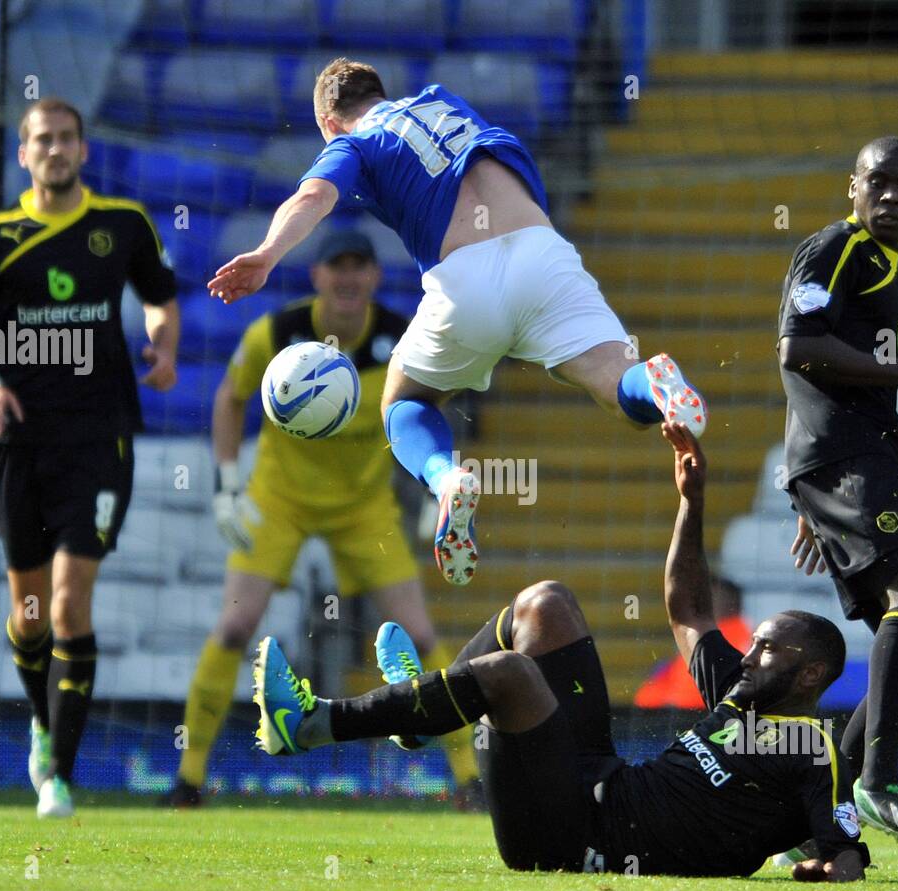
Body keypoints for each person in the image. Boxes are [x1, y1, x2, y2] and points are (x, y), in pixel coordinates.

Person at [248, 423, 868, 882]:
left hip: (574, 841)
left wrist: (825, 865)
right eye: (753, 641)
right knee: (545, 604)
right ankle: (417, 724)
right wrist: (692, 500)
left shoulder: (810, 749)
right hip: (595, 778)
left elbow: (846, 853)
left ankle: (311, 724)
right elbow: (687, 609)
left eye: (766, 648)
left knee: (512, 674)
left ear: (811, 672)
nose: (749, 651)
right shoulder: (738, 688)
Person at [207, 58, 709, 587]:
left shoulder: (351, 143)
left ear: (328, 123)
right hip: (543, 252)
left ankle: (446, 480)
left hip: (467, 278)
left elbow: (314, 196)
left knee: (404, 403)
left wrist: (266, 253)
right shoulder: (441, 99)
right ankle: (652, 380)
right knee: (617, 388)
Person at [164, 230, 480, 809]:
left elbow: (429, 409)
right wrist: (227, 487)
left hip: (364, 506)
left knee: (424, 634)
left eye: (360, 267)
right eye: (338, 266)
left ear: (375, 278)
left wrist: (434, 488)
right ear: (317, 277)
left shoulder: (402, 342)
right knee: (235, 628)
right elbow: (231, 398)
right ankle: (188, 781)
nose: (349, 278)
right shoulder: (277, 337)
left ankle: (468, 781)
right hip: (280, 499)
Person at [0, 98, 179, 818]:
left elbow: (161, 298)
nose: (56, 150)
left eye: (67, 138)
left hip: (99, 438)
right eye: (43, 140)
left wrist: (162, 346)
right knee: (31, 614)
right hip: (19, 442)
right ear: (24, 154)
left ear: (84, 149)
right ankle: (43, 724)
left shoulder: (122, 226)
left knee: (71, 603)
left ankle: (58, 779)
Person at [776, 136, 898, 852]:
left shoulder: (882, 266)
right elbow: (796, 348)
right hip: (846, 456)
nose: (890, 197)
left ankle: (824, 819)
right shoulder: (837, 247)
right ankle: (878, 779)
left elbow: (817, 367)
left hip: (852, 460)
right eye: (878, 182)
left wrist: (811, 491)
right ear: (851, 187)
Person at [633, 576, 752, 709]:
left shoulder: (724, 638)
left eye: (706, 597)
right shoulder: (709, 635)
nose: (697, 603)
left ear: (731, 604)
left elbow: (693, 698)